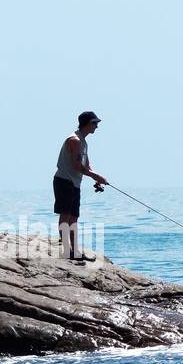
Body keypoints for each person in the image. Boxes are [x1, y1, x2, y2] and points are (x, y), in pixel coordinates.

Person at [53, 111, 108, 262]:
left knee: (74, 217)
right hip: (64, 180)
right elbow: (77, 166)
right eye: (95, 123)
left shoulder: (83, 142)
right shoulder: (75, 140)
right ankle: (66, 250)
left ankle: (75, 251)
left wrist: (96, 178)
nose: (96, 127)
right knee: (66, 215)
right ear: (87, 123)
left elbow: (86, 165)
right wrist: (96, 177)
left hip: (75, 182)